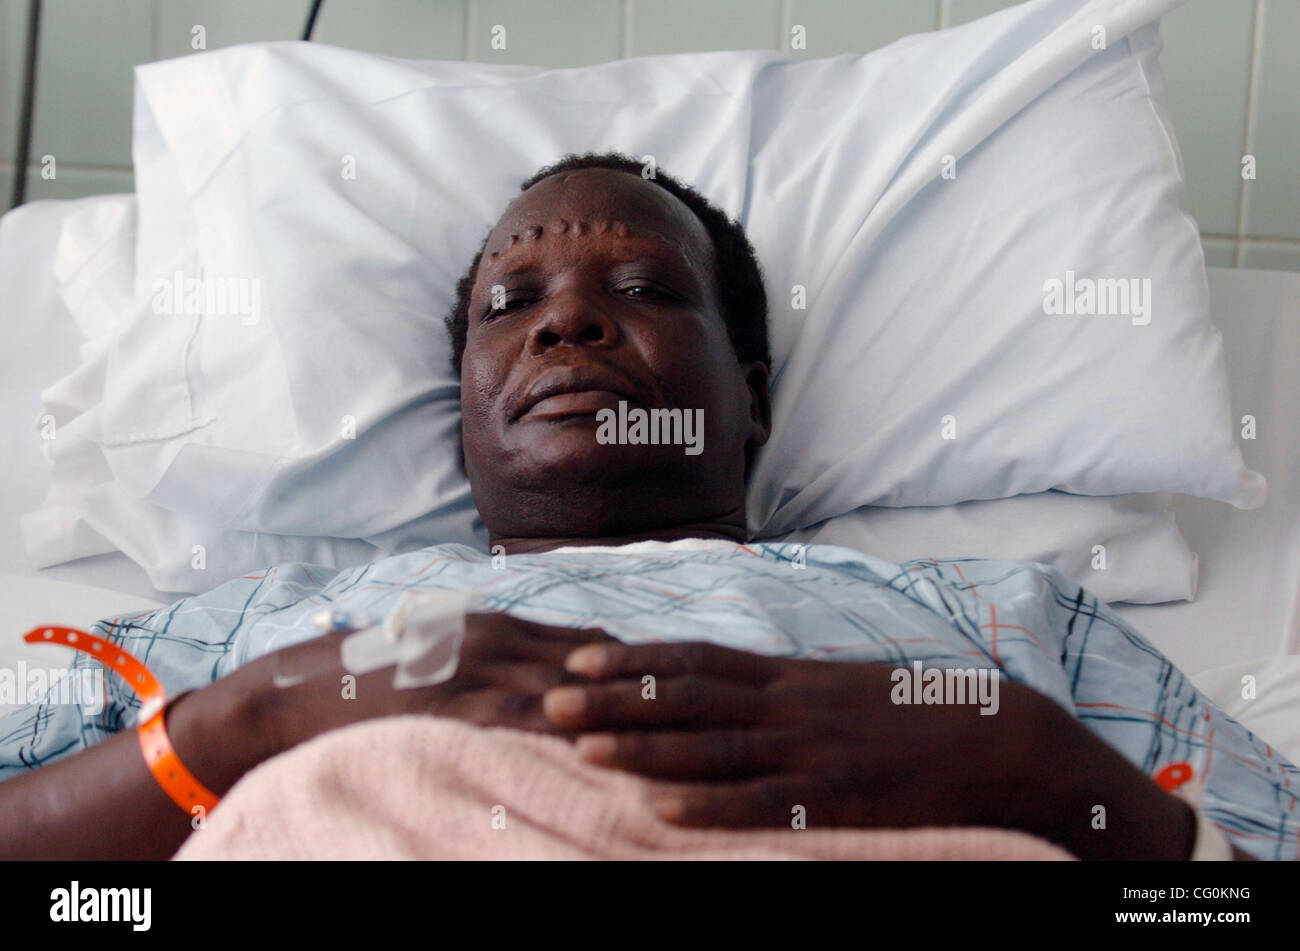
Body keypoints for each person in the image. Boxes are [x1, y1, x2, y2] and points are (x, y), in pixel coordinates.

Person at [1, 153, 1292, 861]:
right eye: (512, 309)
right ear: (462, 407)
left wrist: (1044, 773)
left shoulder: (999, 626)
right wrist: (253, 724)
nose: (566, 317)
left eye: (645, 286)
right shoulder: (238, 639)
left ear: (751, 398)